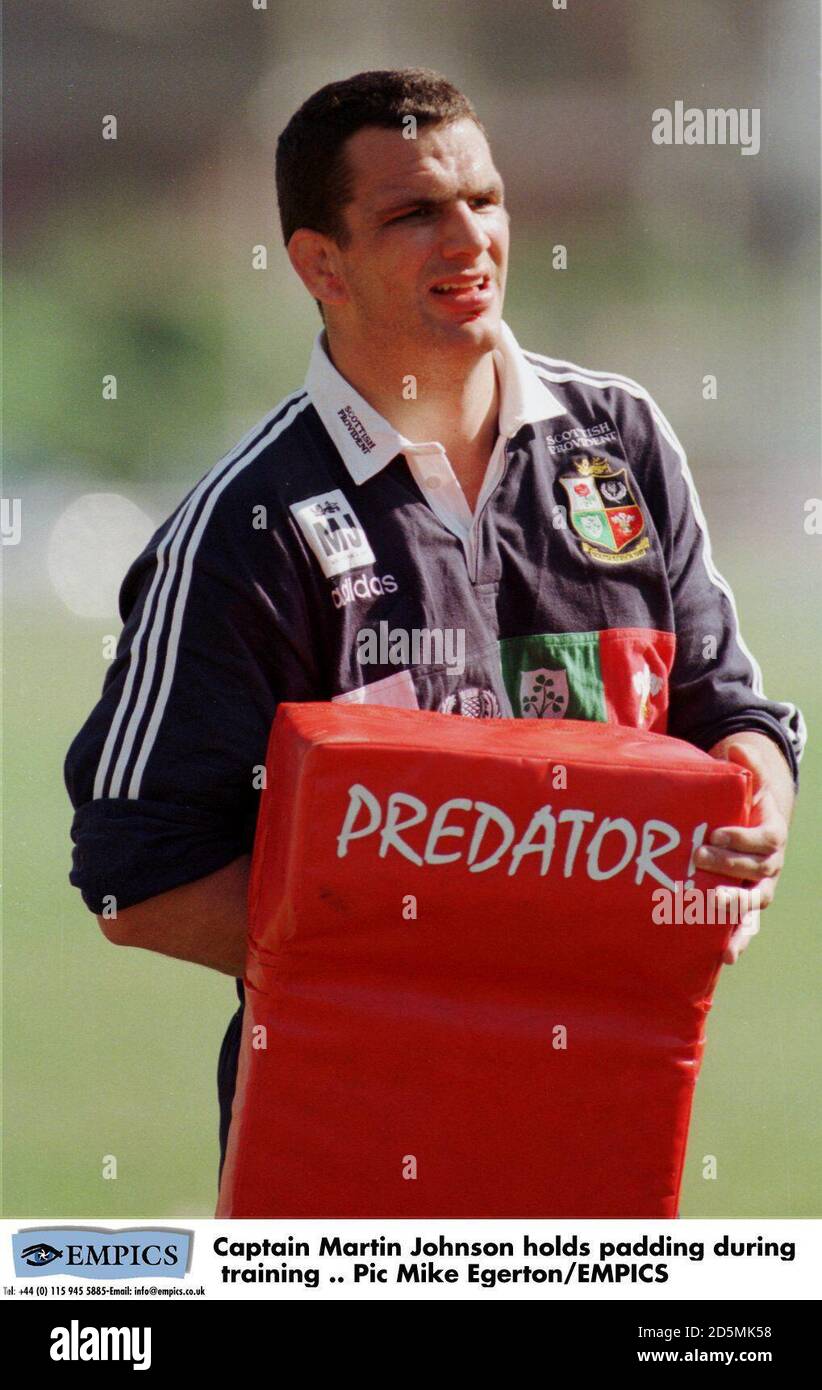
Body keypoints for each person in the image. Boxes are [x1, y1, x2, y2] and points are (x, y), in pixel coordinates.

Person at [64, 68, 805, 1183]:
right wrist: (450, 969)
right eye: (415, 213)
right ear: (321, 263)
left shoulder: (624, 443)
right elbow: (136, 872)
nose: (471, 238)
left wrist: (751, 822)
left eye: (485, 200)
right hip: (347, 1155)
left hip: (608, 1129)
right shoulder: (247, 525)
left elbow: (734, 718)